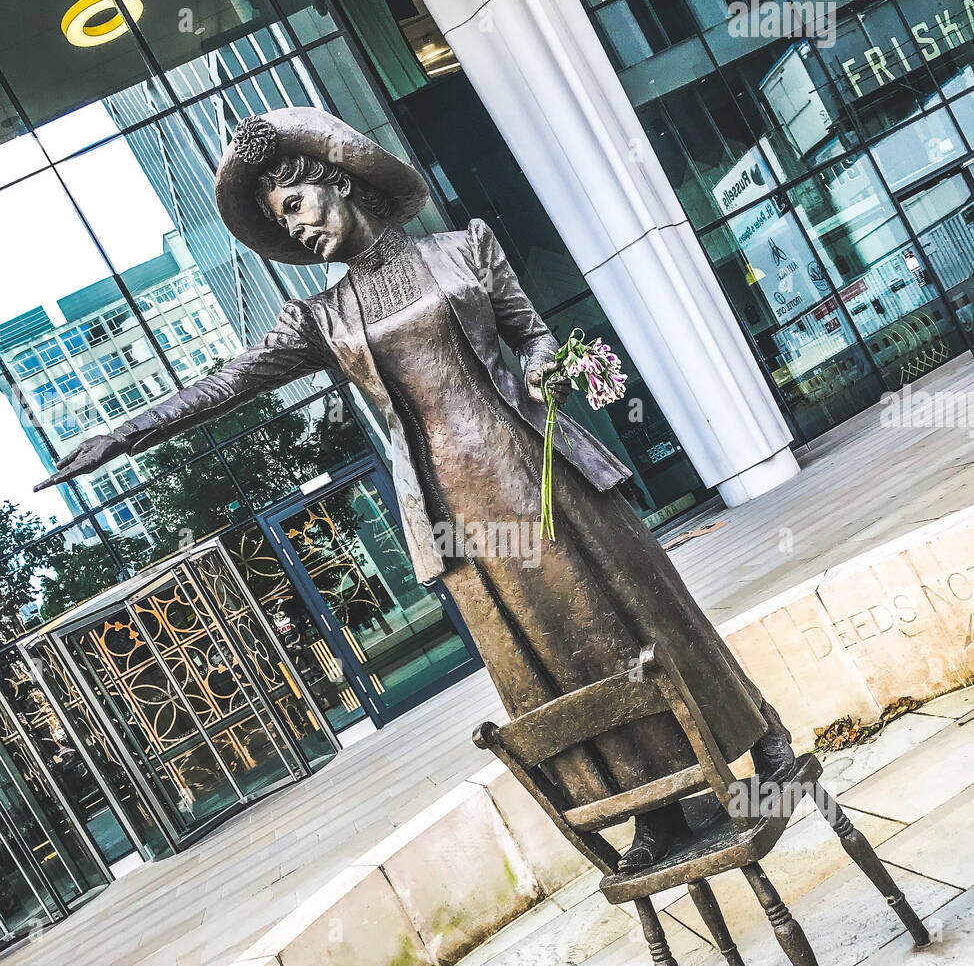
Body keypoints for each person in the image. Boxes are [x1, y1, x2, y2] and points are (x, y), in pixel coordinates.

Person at [38, 107, 794, 872]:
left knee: (642, 612)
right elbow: (223, 385)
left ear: (340, 182)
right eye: (281, 222)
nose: (297, 231)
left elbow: (529, 331)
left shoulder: (467, 248)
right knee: (546, 664)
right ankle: (648, 809)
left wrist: (539, 364)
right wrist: (123, 435)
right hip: (458, 520)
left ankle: (765, 740)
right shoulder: (320, 319)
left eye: (296, 205)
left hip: (539, 475)